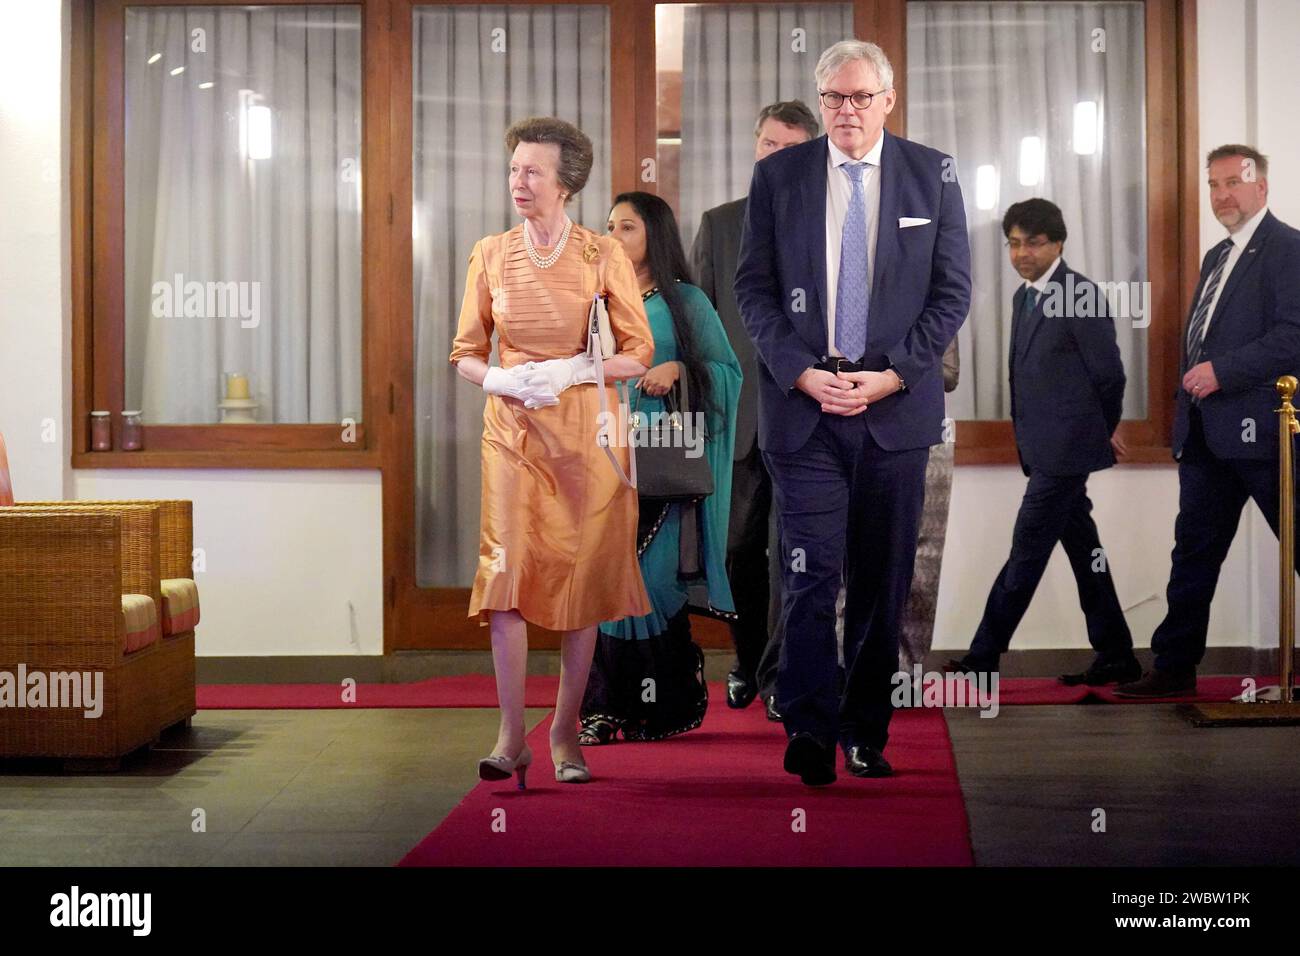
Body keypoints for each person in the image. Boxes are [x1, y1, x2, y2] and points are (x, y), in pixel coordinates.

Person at [735, 39, 971, 786]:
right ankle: (808, 725)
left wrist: (893, 375)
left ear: (887, 102)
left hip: (894, 414)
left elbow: (953, 293)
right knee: (808, 573)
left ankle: (865, 730)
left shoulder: (933, 175)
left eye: (860, 97)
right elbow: (754, 291)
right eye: (834, 97)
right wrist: (802, 373)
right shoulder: (779, 177)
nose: (846, 109)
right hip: (804, 415)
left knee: (881, 580)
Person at [449, 117, 654, 784]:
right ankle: (511, 737)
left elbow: (638, 351)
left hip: (586, 433)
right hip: (511, 433)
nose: (519, 181)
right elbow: (465, 354)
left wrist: (573, 371)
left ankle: (565, 733)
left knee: (579, 582)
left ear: (565, 185)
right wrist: (503, 377)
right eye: (514, 170)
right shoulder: (489, 253)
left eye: (532, 171)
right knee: (505, 580)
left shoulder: (601, 255)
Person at [1117, 145, 1300, 697]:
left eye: (1233, 184)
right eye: (1214, 185)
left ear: (1261, 188)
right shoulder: (1217, 257)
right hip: (1206, 435)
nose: (1222, 195)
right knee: (1192, 553)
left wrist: (1224, 370)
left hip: (1264, 435)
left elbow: (1294, 336)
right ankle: (1174, 670)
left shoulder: (1288, 249)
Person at [945, 199, 1138, 685]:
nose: (1021, 253)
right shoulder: (1023, 297)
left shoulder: (1080, 294)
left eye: (1033, 242)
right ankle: (1117, 653)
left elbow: (1110, 376)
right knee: (1083, 549)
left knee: (1025, 553)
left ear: (1057, 243)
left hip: (1065, 453)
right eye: (1013, 243)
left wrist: (1099, 430)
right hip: (1043, 450)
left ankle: (981, 660)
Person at [579, 191, 742, 744]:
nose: (613, 236)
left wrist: (678, 367)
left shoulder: (686, 302)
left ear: (655, 235)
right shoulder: (595, 300)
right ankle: (603, 710)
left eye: (627, 227)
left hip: (665, 460)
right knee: (607, 584)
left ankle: (662, 706)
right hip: (606, 457)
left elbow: (728, 373)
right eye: (609, 226)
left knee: (651, 583)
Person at [692, 101, 819, 722]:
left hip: (807, 419)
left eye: (790, 149)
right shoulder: (719, 226)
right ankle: (746, 661)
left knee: (794, 553)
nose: (776, 157)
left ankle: (780, 677)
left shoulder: (833, 226)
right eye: (768, 145)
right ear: (755, 147)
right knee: (740, 551)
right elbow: (697, 331)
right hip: (736, 424)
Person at [898, 337, 959, 673]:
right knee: (853, 559)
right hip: (856, 428)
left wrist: (898, 360)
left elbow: (950, 374)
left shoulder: (937, 306)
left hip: (927, 433)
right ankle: (844, 666)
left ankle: (906, 668)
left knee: (922, 559)